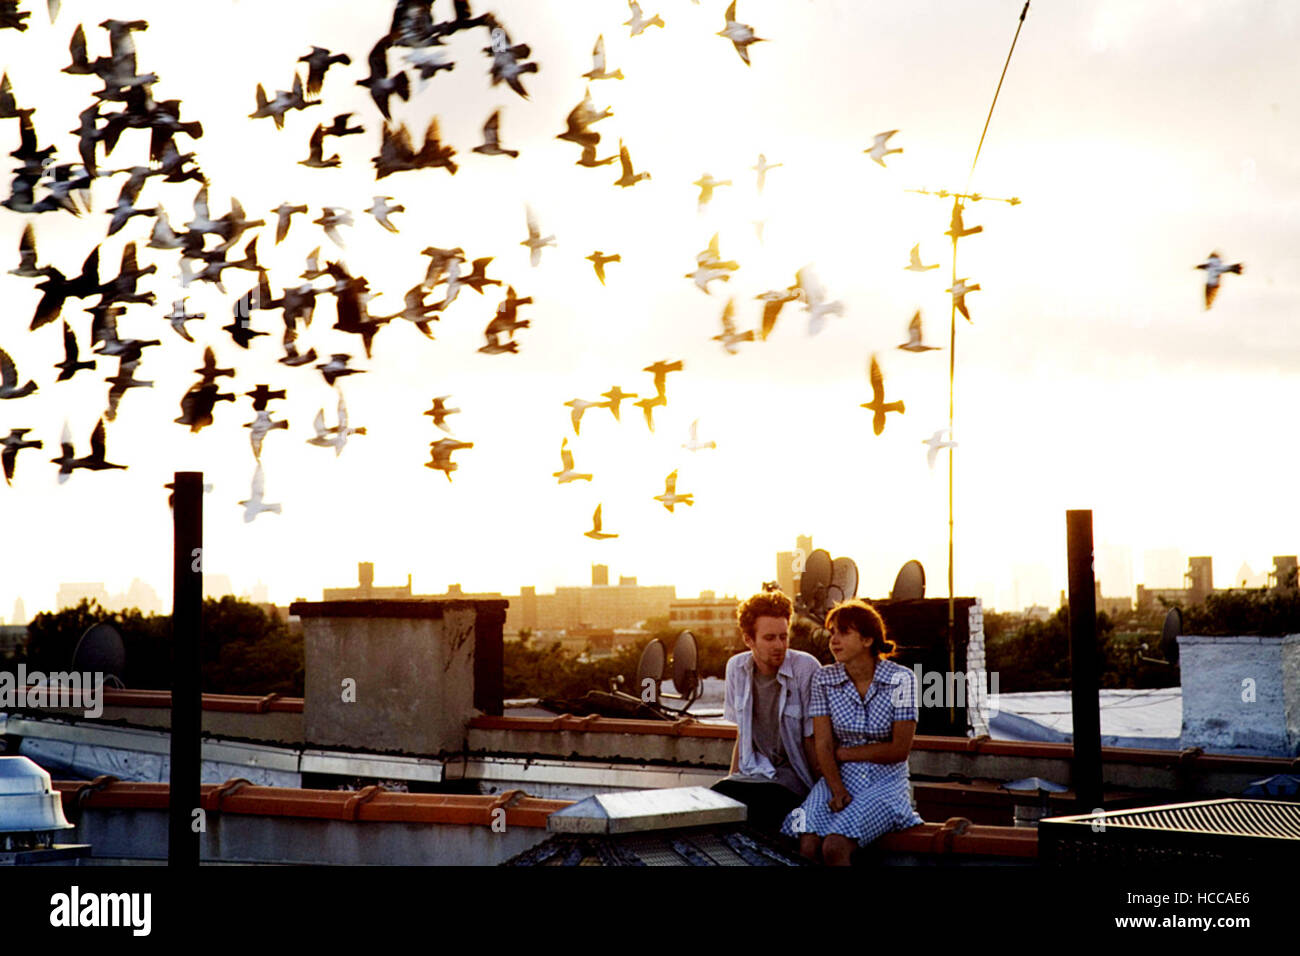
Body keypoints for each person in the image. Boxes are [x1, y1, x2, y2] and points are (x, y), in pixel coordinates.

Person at [781, 598, 924, 865]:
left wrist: (845, 753)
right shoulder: (824, 678)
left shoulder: (901, 679)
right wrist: (836, 789)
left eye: (844, 632)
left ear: (868, 640)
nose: (833, 640)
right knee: (807, 842)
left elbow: (898, 750)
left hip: (885, 784)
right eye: (832, 632)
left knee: (834, 847)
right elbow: (822, 744)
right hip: (838, 779)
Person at [713, 589, 821, 830]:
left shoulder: (806, 668)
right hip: (753, 774)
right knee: (715, 805)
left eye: (784, 637)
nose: (779, 645)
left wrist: (824, 793)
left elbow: (813, 738)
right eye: (770, 638)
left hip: (792, 780)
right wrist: (731, 778)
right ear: (748, 640)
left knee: (761, 814)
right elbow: (743, 734)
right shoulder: (736, 668)